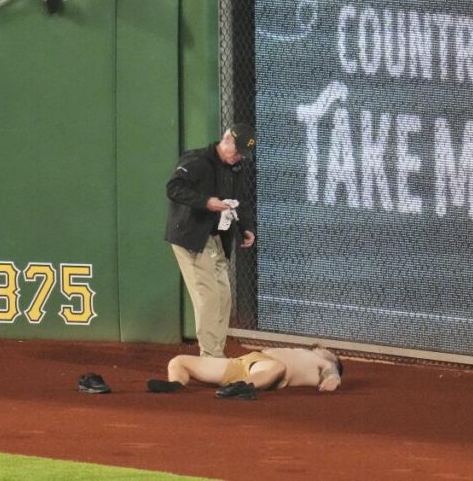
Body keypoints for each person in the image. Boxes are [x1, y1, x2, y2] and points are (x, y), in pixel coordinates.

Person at [165, 123, 256, 359]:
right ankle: (211, 356)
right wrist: (206, 202)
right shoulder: (196, 160)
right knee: (208, 296)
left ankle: (216, 351)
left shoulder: (236, 166)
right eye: (236, 152)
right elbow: (173, 188)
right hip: (191, 237)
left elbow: (241, 200)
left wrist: (246, 227)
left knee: (223, 296)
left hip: (216, 238)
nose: (238, 158)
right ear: (225, 140)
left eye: (241, 155)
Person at [147, 345, 344, 399]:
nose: (326, 348)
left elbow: (331, 371)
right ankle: (176, 384)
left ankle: (244, 387)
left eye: (331, 352)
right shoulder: (303, 351)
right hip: (244, 363)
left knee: (277, 366)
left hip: (269, 370)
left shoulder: (321, 362)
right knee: (179, 361)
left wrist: (333, 377)